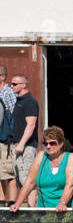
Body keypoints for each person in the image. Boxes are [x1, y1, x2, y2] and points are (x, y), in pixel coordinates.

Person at [9, 126, 73, 211]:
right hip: (45, 209)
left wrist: (62, 203)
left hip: (70, 208)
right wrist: (18, 203)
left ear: (61, 144)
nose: (48, 146)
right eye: (45, 143)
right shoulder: (41, 156)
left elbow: (71, 184)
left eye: (52, 143)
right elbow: (29, 182)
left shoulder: (71, 157)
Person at [6, 73, 39, 206]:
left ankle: (32, 210)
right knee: (19, 178)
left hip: (27, 146)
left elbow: (31, 125)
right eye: (11, 83)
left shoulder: (30, 101)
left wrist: (21, 144)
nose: (11, 86)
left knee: (27, 178)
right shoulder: (18, 101)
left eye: (14, 84)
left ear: (24, 85)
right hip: (17, 145)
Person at [0, 64, 16, 206]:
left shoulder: (7, 93)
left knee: (8, 172)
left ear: (3, 76)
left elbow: (13, 115)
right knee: (1, 173)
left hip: (5, 139)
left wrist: (12, 138)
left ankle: (11, 203)